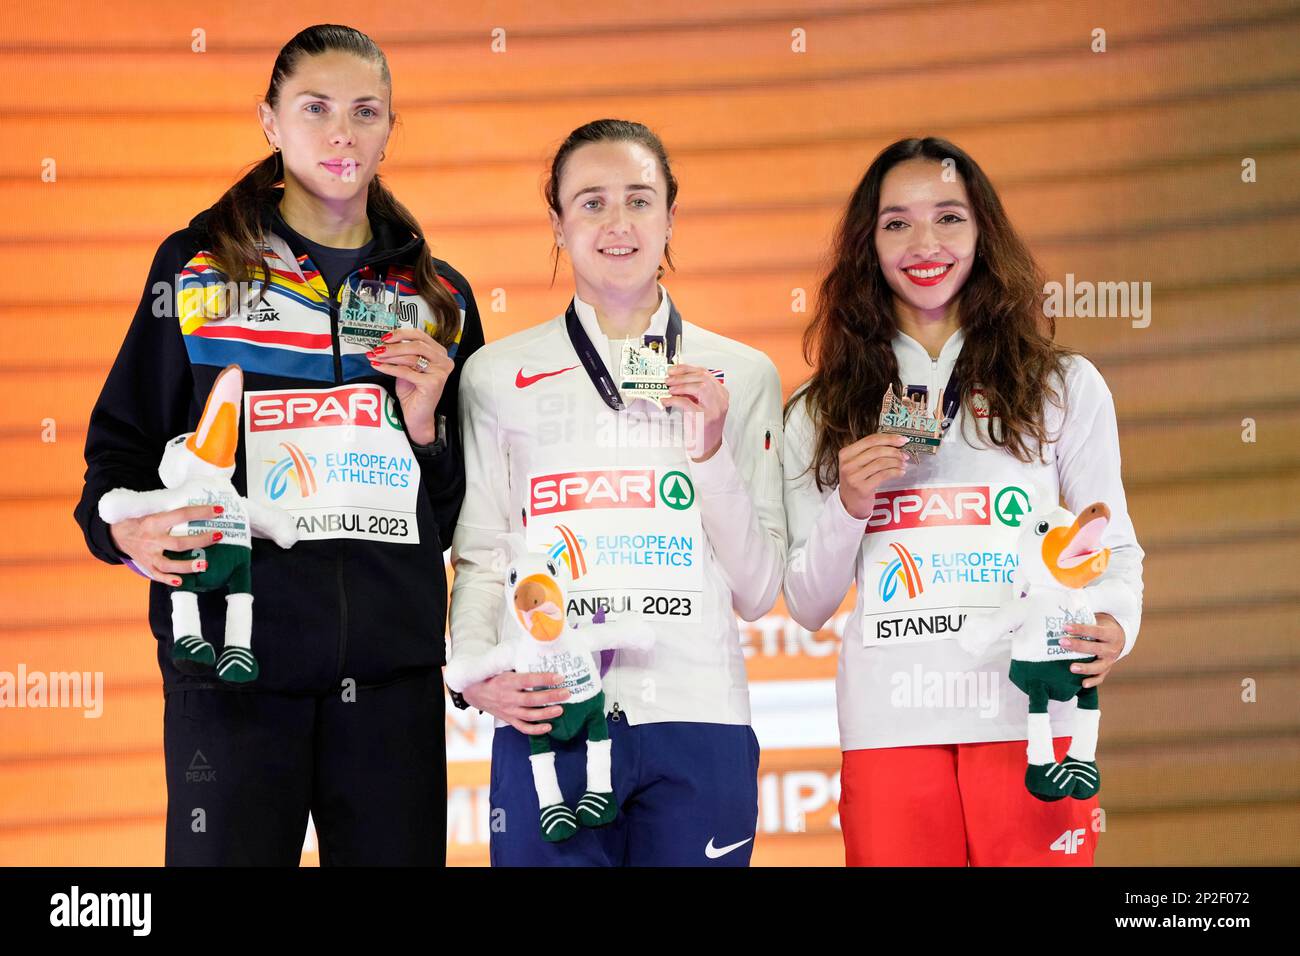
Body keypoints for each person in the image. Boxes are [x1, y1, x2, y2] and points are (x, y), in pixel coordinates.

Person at [72, 24, 484, 866]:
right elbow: (116, 453)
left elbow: (457, 515)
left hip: (391, 680)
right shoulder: (194, 267)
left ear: (390, 129)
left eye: (366, 112)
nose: (342, 133)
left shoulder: (440, 296)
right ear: (269, 121)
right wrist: (123, 533)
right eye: (316, 108)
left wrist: (425, 426)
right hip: (232, 670)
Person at [782, 137, 1144, 866]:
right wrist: (851, 502)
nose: (925, 243)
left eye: (949, 217)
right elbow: (807, 601)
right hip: (891, 724)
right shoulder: (819, 409)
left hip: (1031, 714)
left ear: (983, 232)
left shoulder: (1062, 385)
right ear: (866, 244)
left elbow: (1114, 546)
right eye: (897, 223)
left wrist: (1114, 622)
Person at [448, 118, 787, 866]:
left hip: (699, 717)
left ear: (672, 214)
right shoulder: (496, 374)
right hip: (550, 712)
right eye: (592, 202)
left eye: (639, 199)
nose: (618, 223)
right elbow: (478, 555)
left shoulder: (744, 372)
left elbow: (760, 589)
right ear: (558, 223)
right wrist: (475, 677)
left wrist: (708, 453)